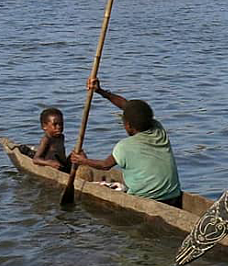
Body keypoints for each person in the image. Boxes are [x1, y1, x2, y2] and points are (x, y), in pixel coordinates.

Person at [71, 78, 183, 208]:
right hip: (174, 197)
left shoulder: (124, 146)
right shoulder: (158, 129)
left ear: (128, 126)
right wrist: (101, 92)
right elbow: (126, 106)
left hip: (146, 200)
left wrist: (82, 160)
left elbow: (105, 166)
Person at [32, 107, 71, 172]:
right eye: (55, 124)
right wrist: (49, 163)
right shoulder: (46, 139)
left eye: (61, 124)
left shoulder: (61, 137)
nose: (59, 127)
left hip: (62, 165)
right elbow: (35, 159)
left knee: (79, 153)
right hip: (52, 167)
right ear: (44, 126)